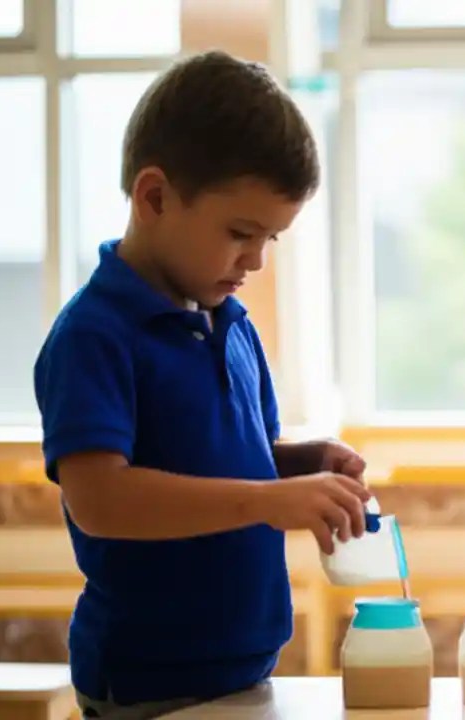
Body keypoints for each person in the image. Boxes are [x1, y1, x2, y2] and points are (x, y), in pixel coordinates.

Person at [33, 51, 371, 720]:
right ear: (154, 196)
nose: (256, 260)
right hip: (145, 685)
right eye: (241, 233)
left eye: (271, 238)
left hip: (245, 670)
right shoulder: (94, 336)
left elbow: (224, 461)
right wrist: (269, 500)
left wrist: (298, 466)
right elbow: (100, 499)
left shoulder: (231, 327)